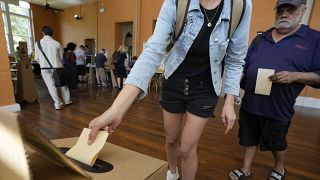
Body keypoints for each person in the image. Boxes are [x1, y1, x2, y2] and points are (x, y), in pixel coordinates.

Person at [88, 0, 252, 180]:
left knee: (187, 147)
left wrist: (229, 101)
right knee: (172, 139)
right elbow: (152, 51)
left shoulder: (240, 6)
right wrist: (116, 109)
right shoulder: (176, 2)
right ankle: (172, 172)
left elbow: (236, 59)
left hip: (205, 88)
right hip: (174, 80)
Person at [228, 0, 320, 180]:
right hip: (251, 103)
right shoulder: (262, 37)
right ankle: (245, 170)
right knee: (248, 138)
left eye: (290, 10)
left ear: (303, 10)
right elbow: (244, 65)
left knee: (276, 142)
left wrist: (295, 76)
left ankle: (279, 169)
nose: (284, 14)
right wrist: (233, 87)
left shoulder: (313, 39)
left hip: (279, 107)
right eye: (280, 10)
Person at [34, 26, 72, 110]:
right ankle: (67, 100)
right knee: (63, 84)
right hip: (57, 67)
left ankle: (58, 103)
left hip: (44, 68)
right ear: (52, 33)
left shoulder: (38, 43)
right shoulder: (57, 43)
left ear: (43, 33)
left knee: (51, 86)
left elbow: (36, 58)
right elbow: (61, 58)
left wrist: (43, 64)